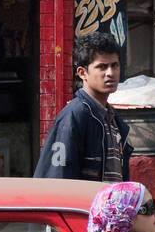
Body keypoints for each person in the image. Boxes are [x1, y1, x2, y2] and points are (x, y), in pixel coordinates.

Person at [33, 32, 132, 181]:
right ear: (82, 73)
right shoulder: (74, 116)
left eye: (115, 65)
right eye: (102, 67)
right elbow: (58, 179)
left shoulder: (114, 121)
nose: (110, 73)